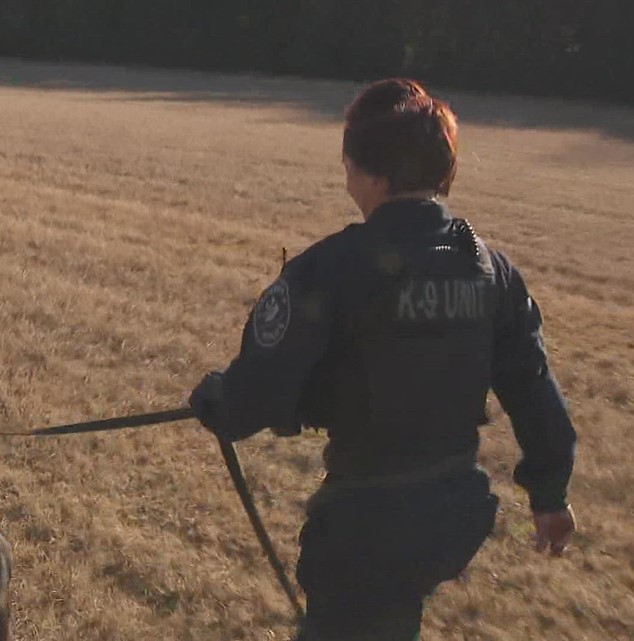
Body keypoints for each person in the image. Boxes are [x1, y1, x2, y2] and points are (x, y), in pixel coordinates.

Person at [188, 78, 578, 641]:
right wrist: (550, 492)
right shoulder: (490, 269)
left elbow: (255, 397)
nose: (344, 171)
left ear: (372, 174)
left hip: (365, 523)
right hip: (451, 510)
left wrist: (217, 402)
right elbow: (532, 383)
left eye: (348, 159)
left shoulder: (328, 269)